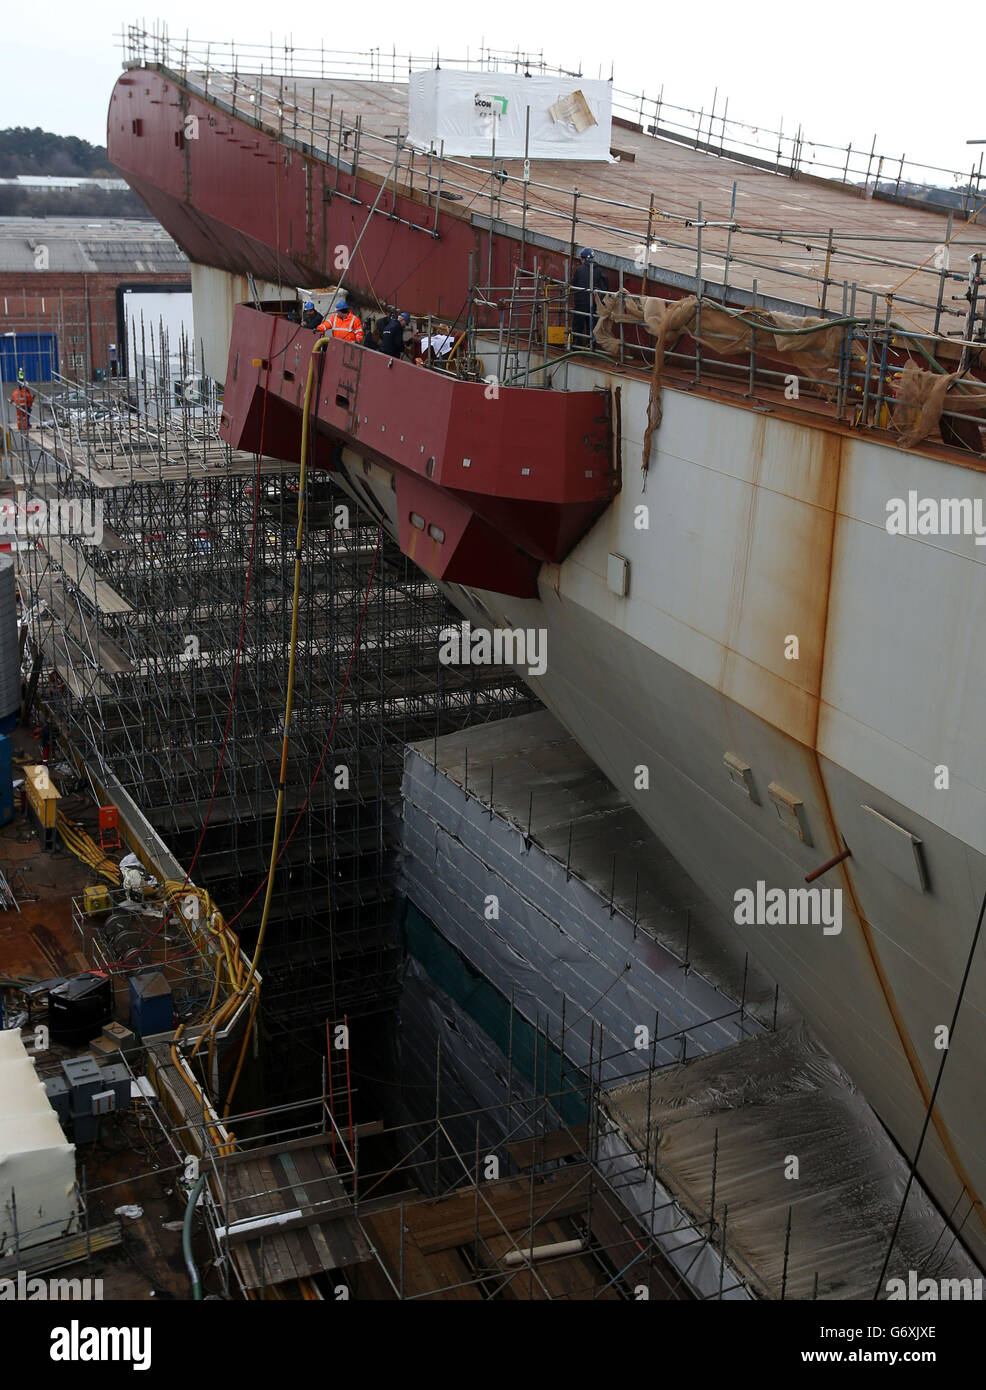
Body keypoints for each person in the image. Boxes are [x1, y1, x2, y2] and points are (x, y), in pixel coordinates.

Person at [571, 248, 609, 349]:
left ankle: (576, 346)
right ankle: (591, 346)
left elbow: (573, 284)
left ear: (583, 259)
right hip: (594, 305)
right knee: (591, 326)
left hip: (580, 303)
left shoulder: (579, 270)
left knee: (578, 326)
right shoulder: (600, 271)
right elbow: (605, 287)